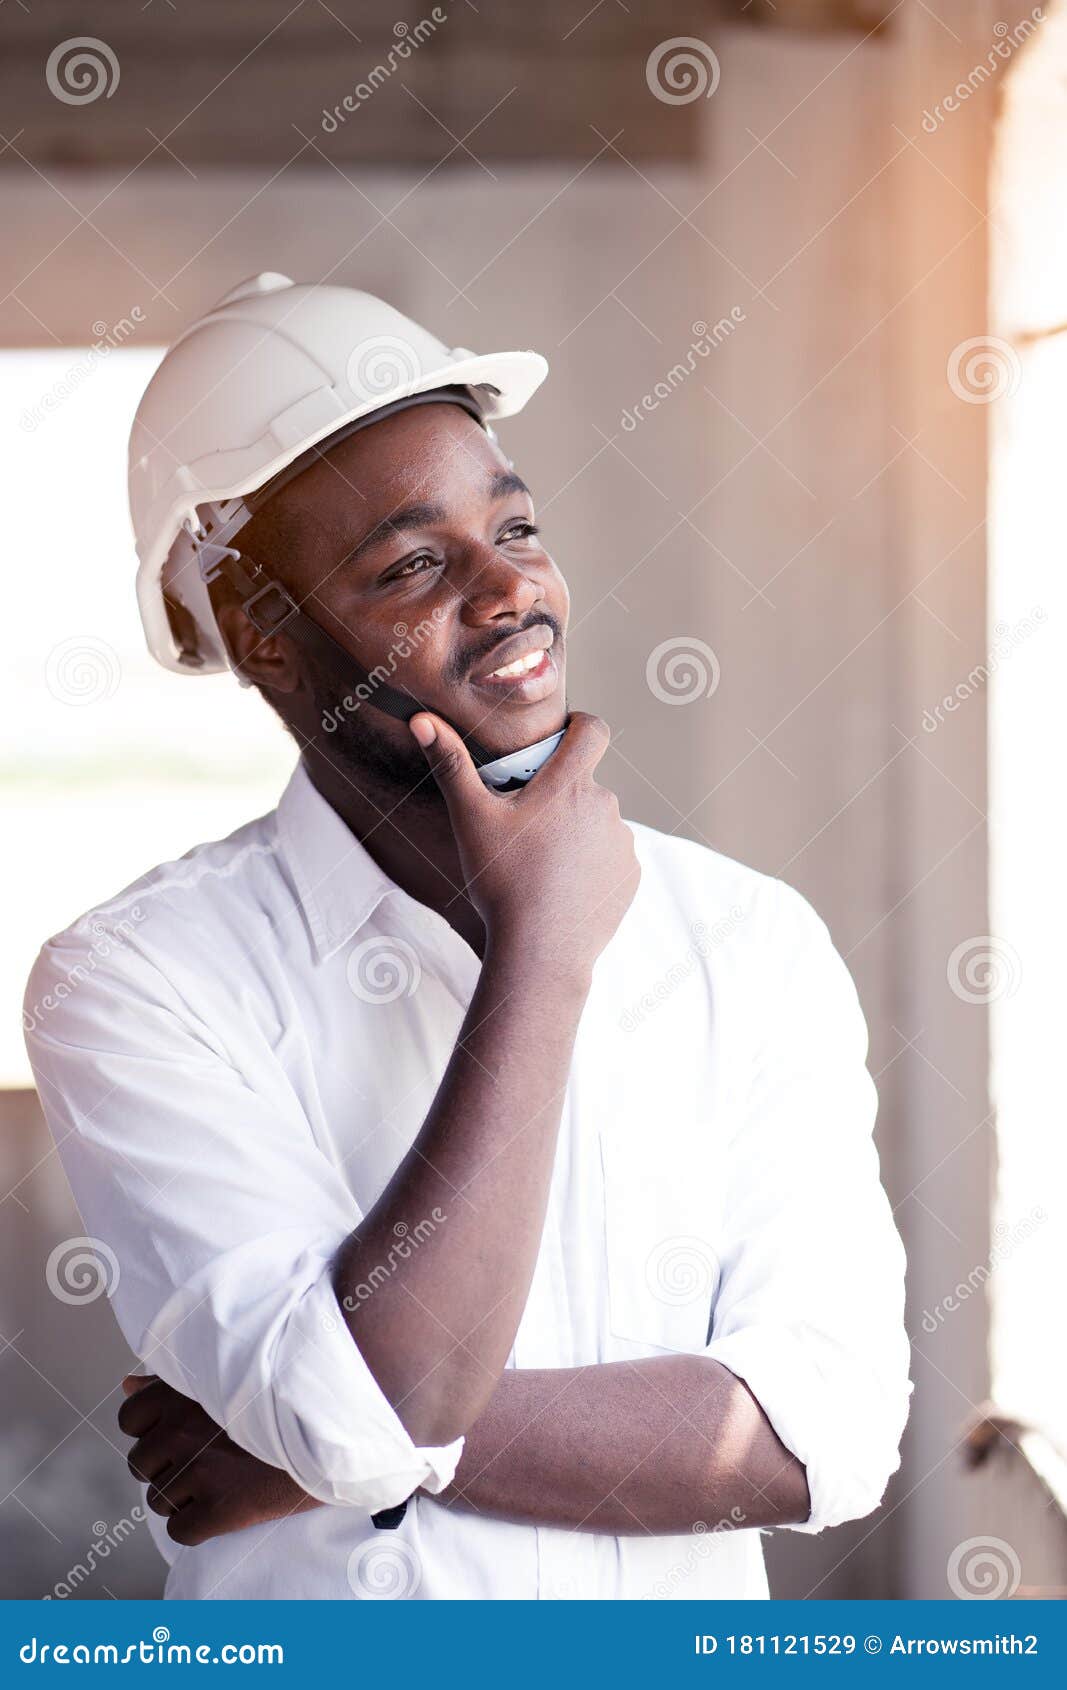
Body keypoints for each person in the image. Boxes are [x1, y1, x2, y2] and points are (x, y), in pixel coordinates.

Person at [24, 274, 911, 1601]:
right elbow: (361, 1410)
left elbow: (825, 1433)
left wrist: (333, 1444)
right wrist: (541, 953)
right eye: (411, 565)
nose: (509, 590)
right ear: (267, 635)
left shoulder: (747, 939)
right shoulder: (138, 979)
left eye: (517, 526)